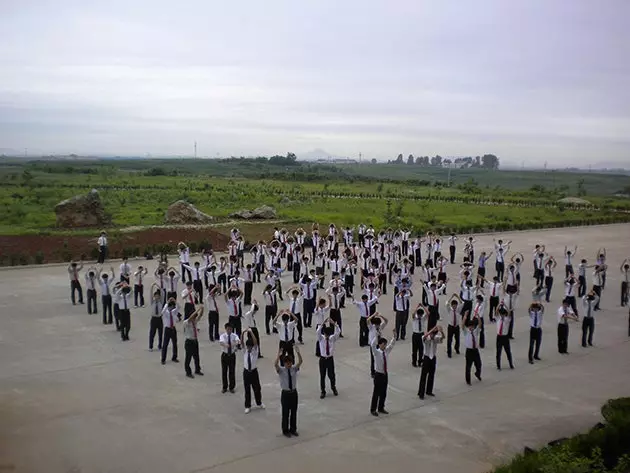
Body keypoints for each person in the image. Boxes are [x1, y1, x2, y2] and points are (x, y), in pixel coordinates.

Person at [275, 345, 303, 437]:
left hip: (293, 393)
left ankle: (293, 429)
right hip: (285, 394)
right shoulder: (281, 371)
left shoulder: (294, 369)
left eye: (290, 363)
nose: (289, 365)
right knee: (285, 413)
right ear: (284, 363)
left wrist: (298, 352)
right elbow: (275, 365)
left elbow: (300, 362)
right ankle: (285, 430)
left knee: (294, 412)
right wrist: (278, 356)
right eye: (287, 363)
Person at [370, 328, 396, 416]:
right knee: (376, 392)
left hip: (385, 374)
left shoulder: (386, 351)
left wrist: (394, 336)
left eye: (385, 344)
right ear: (380, 344)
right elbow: (373, 345)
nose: (385, 346)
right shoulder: (376, 352)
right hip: (378, 374)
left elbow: (392, 345)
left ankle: (381, 407)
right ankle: (373, 409)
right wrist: (376, 337)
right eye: (384, 344)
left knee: (383, 392)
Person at [242, 328, 265, 413]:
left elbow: (255, 342)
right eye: (248, 346)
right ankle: (247, 406)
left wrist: (251, 332)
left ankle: (259, 403)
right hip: (246, 372)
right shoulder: (245, 351)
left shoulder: (255, 351)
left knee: (257, 388)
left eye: (250, 347)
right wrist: (243, 334)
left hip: (254, 371)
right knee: (247, 389)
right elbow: (241, 343)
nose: (249, 348)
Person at [418, 325, 444, 399]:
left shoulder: (435, 338)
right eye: (432, 334)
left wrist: (441, 331)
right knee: (424, 376)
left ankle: (429, 391)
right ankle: (421, 393)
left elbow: (443, 338)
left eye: (434, 334)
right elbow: (424, 337)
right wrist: (432, 330)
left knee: (431, 375)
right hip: (426, 357)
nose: (433, 336)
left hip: (433, 358)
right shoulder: (426, 338)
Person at [317, 319, 341, 398]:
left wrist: (334, 324)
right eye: (326, 335)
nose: (327, 336)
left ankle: (333, 387)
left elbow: (338, 331)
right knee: (322, 375)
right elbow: (318, 331)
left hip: (330, 359)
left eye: (328, 335)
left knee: (331, 375)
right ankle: (322, 391)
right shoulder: (321, 338)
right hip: (323, 359)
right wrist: (323, 323)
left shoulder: (332, 338)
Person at [183, 305, 204, 378]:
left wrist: (202, 309)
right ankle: (188, 372)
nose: (194, 318)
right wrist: (197, 310)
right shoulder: (186, 322)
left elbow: (200, 316)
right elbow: (190, 318)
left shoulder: (194, 322)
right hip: (189, 341)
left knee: (196, 356)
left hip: (195, 341)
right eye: (194, 317)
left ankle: (197, 369)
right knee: (188, 358)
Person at [219, 323, 241, 393]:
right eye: (228, 329)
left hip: (232, 355)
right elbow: (221, 342)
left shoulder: (234, 336)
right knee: (224, 371)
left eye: (230, 329)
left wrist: (234, 344)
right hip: (225, 355)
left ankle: (232, 387)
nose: (229, 331)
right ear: (226, 329)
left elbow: (238, 341)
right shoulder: (223, 336)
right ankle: (224, 387)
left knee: (232, 371)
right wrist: (226, 345)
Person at [462, 314, 482, 385]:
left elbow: (480, 325)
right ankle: (468, 380)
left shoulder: (476, 331)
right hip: (469, 351)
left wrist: (479, 317)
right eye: (470, 326)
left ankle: (477, 373)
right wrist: (465, 317)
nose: (472, 327)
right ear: (468, 326)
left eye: (473, 326)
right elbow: (462, 325)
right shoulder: (466, 332)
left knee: (479, 364)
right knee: (468, 366)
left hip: (475, 350)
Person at [161, 297, 181, 365]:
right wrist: (167, 303)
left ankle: (174, 357)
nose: (172, 308)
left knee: (174, 343)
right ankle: (163, 359)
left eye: (173, 307)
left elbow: (178, 307)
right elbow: (162, 311)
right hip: (167, 329)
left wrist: (174, 301)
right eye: (171, 307)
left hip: (173, 328)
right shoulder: (166, 313)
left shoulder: (174, 311)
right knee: (165, 344)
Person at [495, 304, 514, 370]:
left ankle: (511, 364)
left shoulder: (507, 320)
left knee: (508, 351)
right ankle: (498, 365)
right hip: (499, 337)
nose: (502, 315)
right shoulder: (498, 319)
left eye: (503, 314)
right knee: (498, 352)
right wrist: (499, 305)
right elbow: (496, 311)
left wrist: (506, 305)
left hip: (505, 337)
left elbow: (509, 313)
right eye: (501, 314)